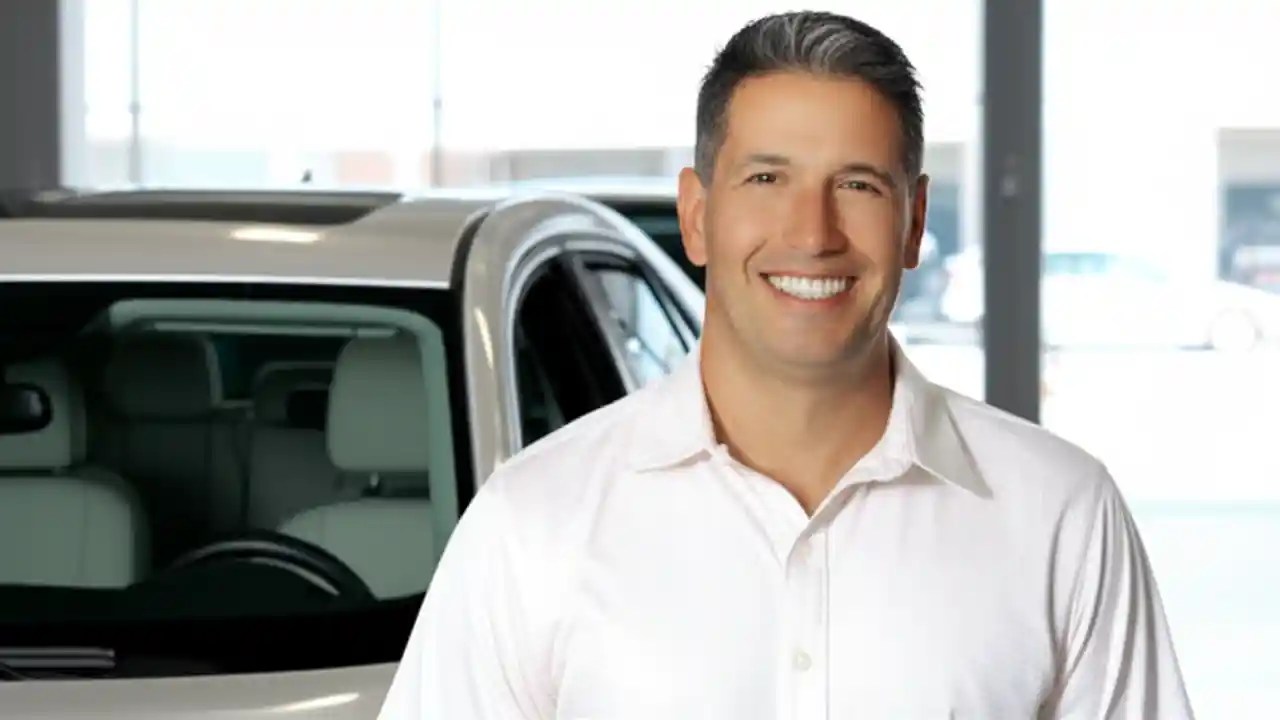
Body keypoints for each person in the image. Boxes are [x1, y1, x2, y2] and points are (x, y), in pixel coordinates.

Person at [378, 11, 1194, 719]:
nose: (812, 233)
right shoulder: (532, 521)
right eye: (767, 178)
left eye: (858, 185)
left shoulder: (1060, 513)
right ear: (697, 215)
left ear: (913, 223)